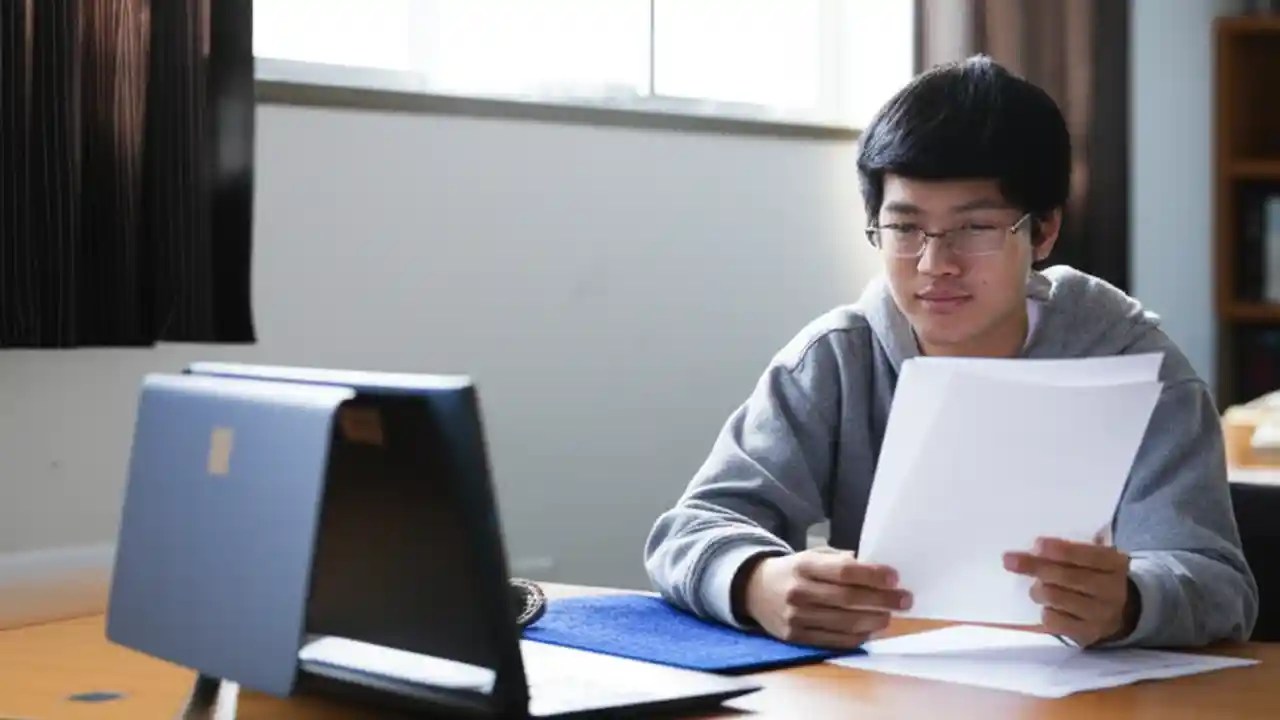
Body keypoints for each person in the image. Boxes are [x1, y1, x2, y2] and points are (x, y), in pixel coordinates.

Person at [643, 56, 1258, 650]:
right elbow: (689, 530)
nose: (936, 265)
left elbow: (1221, 585)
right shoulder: (836, 359)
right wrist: (757, 581)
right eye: (905, 228)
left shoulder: (1136, 366)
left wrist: (1129, 602)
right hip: (885, 689)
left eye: (976, 228)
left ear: (1042, 231)